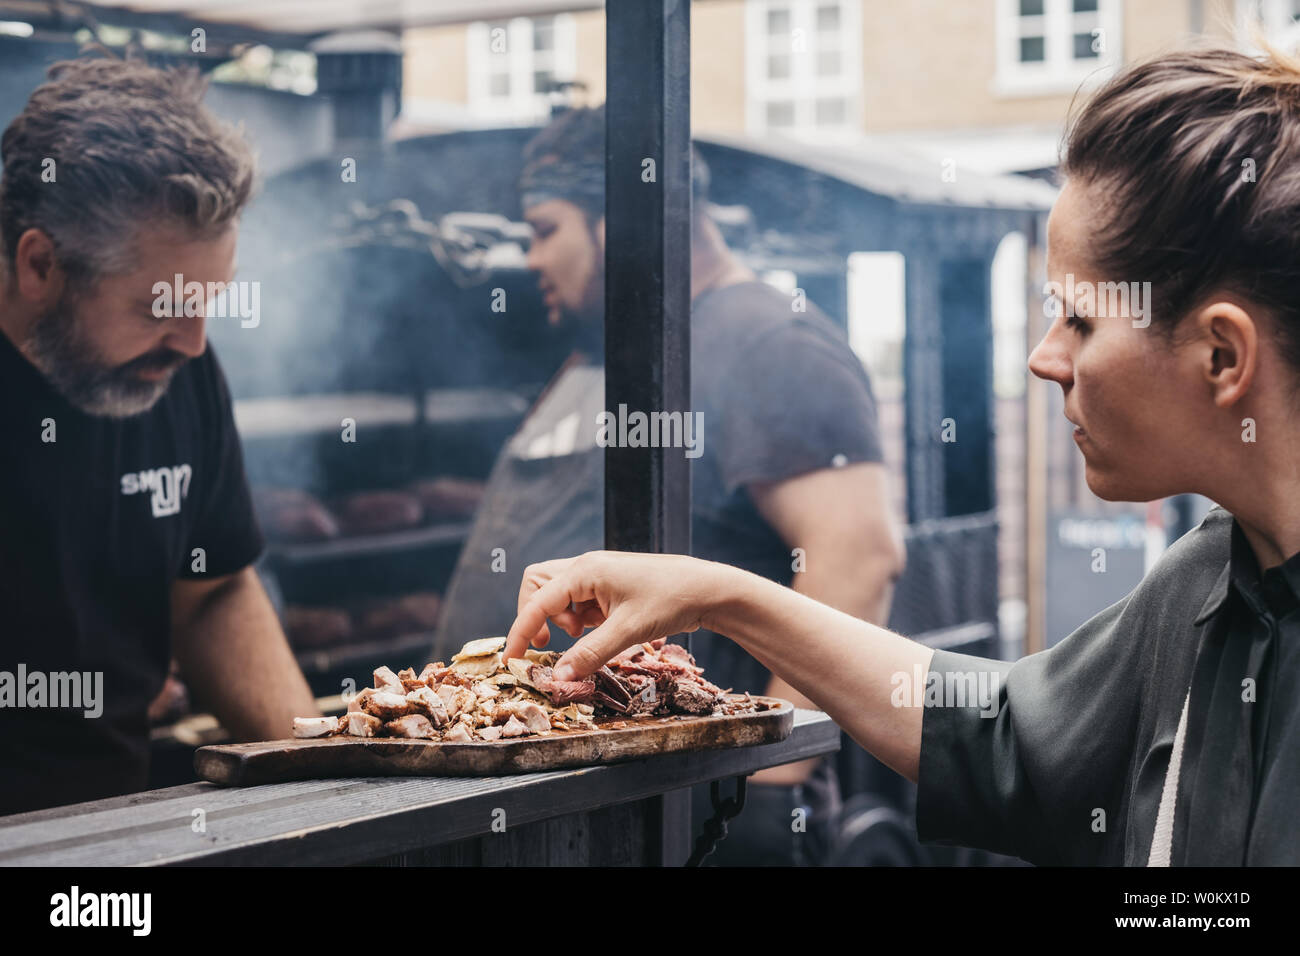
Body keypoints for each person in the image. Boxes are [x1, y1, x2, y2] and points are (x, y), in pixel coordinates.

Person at [502, 44, 1300, 866]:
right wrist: (719, 597)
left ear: (1222, 357)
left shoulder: (770, 344)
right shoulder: (1208, 580)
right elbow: (999, 731)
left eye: (1081, 321)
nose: (1044, 358)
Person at [433, 105, 905, 865]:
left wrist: (768, 785)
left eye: (545, 230)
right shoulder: (621, 350)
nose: (529, 259)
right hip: (590, 817)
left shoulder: (768, 342)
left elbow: (859, 557)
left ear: (617, 228)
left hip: (701, 819)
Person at [0, 57, 317, 815]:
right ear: (39, 264)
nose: (195, 345)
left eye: (208, 303)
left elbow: (211, 596)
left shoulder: (178, 367)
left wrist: (323, 788)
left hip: (108, 830)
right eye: (158, 307)